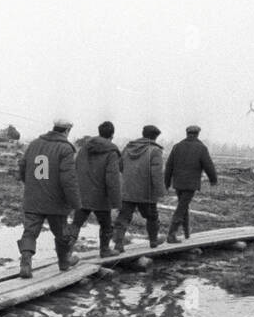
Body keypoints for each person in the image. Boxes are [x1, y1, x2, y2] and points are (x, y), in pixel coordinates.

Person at [16, 118, 81, 278]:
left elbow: (22, 169)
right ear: (67, 131)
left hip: (33, 199)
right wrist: (75, 202)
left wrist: (31, 186)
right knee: (61, 233)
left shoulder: (34, 144)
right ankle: (64, 262)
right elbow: (68, 180)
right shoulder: (66, 148)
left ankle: (25, 263)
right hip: (56, 201)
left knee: (30, 232)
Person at [68, 121, 122, 257]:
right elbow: (113, 179)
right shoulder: (112, 152)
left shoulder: (85, 148)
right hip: (101, 197)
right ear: (112, 135)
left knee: (76, 224)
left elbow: (75, 168)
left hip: (82, 194)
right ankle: (105, 250)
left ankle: (66, 253)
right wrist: (116, 202)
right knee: (106, 225)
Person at [112, 124, 164, 253]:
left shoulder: (128, 147)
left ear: (143, 134)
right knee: (152, 216)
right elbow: (156, 173)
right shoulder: (155, 150)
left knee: (123, 217)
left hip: (127, 189)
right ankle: (153, 241)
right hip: (146, 192)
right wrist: (160, 191)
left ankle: (118, 244)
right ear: (155, 137)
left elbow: (120, 166)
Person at [164, 125, 217, 243]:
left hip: (178, 183)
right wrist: (213, 180)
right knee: (182, 207)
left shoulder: (177, 147)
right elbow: (208, 165)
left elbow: (169, 166)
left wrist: (166, 182)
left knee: (184, 205)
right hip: (191, 184)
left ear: (187, 133)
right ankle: (171, 234)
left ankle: (187, 233)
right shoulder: (201, 148)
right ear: (197, 134)